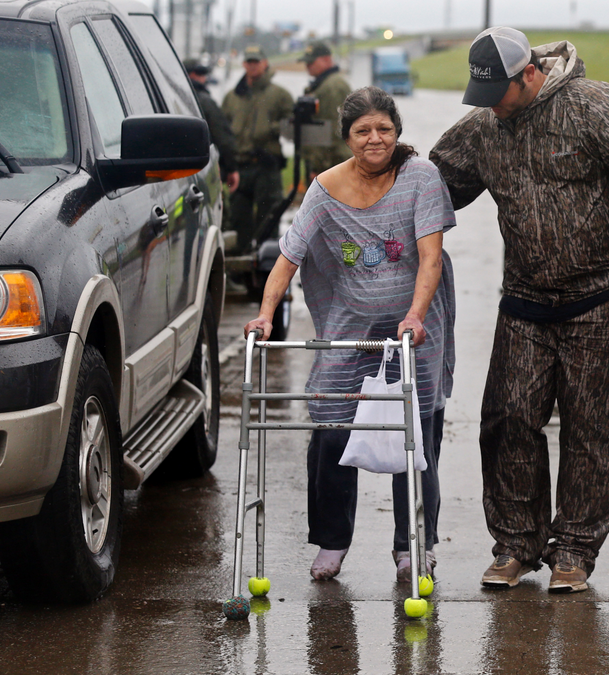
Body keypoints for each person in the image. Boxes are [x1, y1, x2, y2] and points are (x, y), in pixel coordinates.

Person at [429, 27, 609, 593]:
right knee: (507, 419)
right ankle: (517, 544)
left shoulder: (598, 108)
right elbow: (431, 185)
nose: (492, 104)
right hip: (526, 299)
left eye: (500, 90)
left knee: (596, 431)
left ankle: (573, 549)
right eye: (483, 94)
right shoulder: (485, 128)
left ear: (529, 73)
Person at [243, 87, 457, 582]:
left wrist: (416, 314)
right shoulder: (324, 189)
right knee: (332, 426)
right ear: (348, 138)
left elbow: (429, 256)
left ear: (397, 132)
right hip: (350, 324)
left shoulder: (421, 178)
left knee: (416, 431)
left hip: (414, 325)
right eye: (363, 131)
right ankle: (332, 542)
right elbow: (288, 257)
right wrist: (265, 314)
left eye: (384, 129)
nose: (375, 139)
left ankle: (414, 543)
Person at [222, 45, 294, 254]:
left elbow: (293, 124)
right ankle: (239, 270)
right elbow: (221, 129)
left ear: (265, 63)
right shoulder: (232, 96)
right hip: (240, 167)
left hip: (266, 167)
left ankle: (267, 267)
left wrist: (270, 130)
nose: (252, 66)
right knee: (238, 220)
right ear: (244, 64)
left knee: (268, 221)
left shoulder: (279, 95)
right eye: (249, 62)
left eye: (256, 62)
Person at [299, 41, 353, 181]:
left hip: (331, 164)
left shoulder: (332, 86)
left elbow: (330, 130)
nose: (307, 66)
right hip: (328, 162)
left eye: (311, 62)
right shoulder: (324, 84)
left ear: (326, 60)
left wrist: (319, 167)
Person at [184, 59, 239, 192]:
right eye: (200, 73)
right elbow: (223, 137)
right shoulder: (205, 102)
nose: (204, 77)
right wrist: (232, 168)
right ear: (189, 75)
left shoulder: (173, 97)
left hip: (179, 175)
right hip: (203, 173)